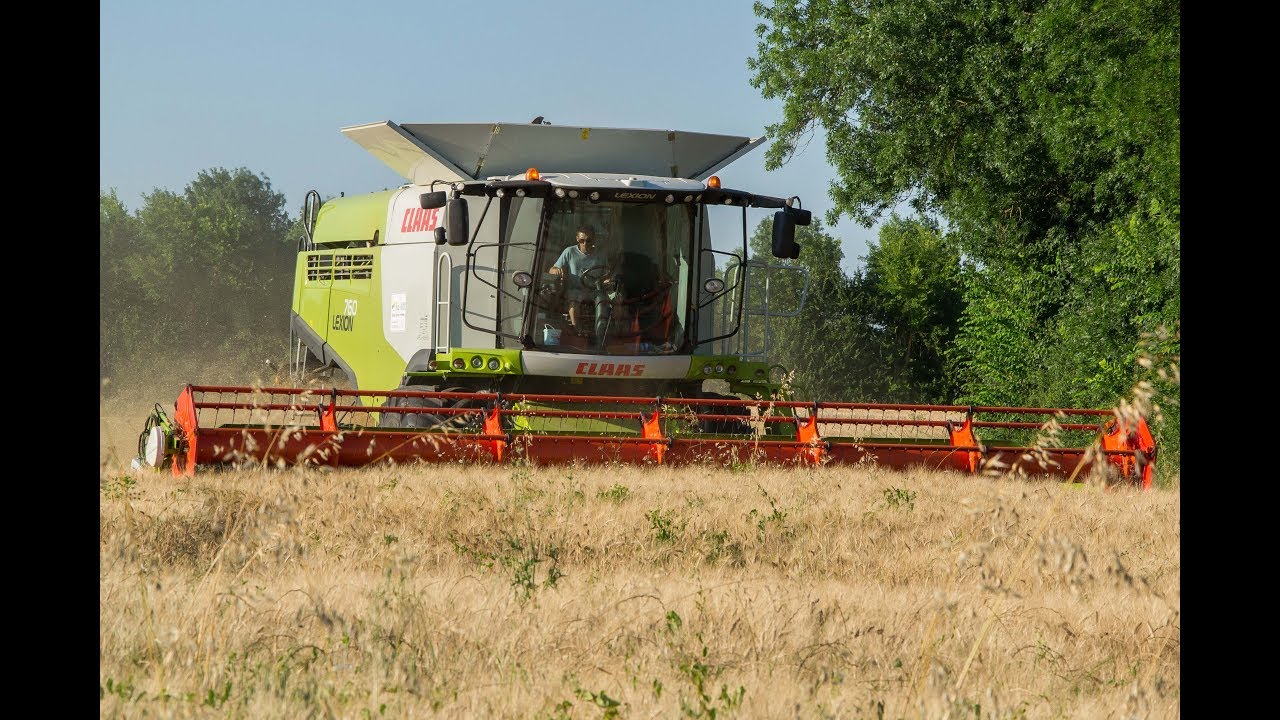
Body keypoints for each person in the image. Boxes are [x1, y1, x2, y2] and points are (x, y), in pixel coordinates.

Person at [548, 225, 612, 338]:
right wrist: (557, 270)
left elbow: (606, 275)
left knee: (608, 300)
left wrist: (608, 281)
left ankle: (604, 333)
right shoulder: (569, 252)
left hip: (595, 290)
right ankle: (576, 332)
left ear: (594, 239)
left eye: (588, 241)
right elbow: (551, 269)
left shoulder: (601, 255)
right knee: (573, 300)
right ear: (577, 239)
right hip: (576, 289)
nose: (585, 244)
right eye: (582, 241)